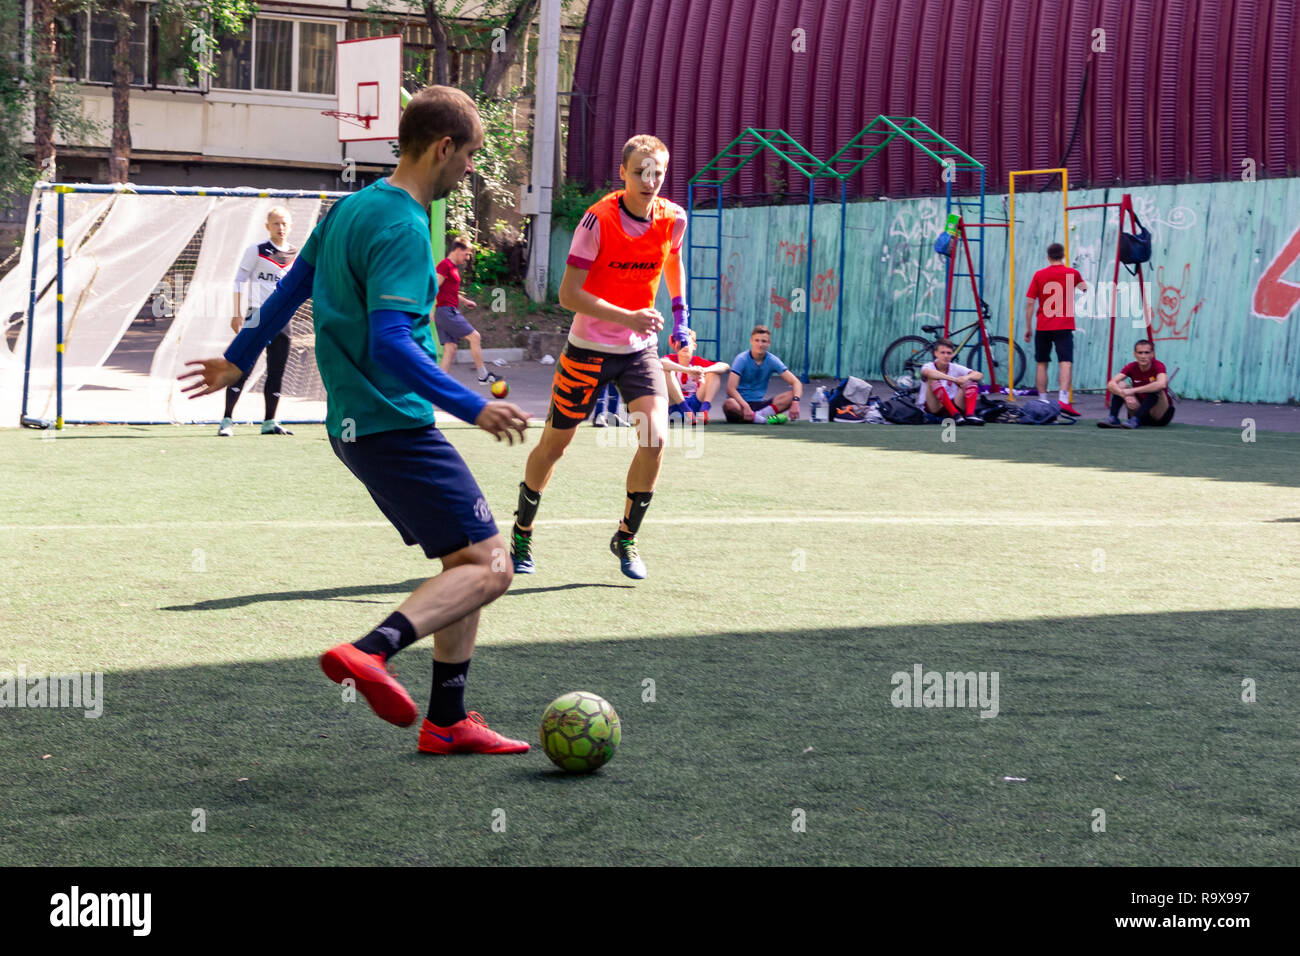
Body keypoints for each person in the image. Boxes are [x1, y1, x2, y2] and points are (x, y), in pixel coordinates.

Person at [180, 86, 534, 756]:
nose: (469, 172)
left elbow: (290, 290)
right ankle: (373, 650)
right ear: (442, 147)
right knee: (494, 563)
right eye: (469, 158)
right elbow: (391, 345)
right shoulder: (402, 225)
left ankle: (448, 720)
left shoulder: (351, 209)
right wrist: (475, 405)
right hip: (393, 423)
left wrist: (236, 360)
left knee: (463, 562)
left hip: (353, 427)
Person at [509, 133, 689, 581]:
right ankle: (521, 533)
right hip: (587, 351)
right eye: (641, 172)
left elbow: (671, 261)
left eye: (658, 173)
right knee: (555, 446)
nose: (650, 181)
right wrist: (630, 317)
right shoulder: (597, 221)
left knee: (656, 440)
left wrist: (682, 315)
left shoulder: (673, 219)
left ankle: (626, 538)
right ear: (623, 174)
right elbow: (569, 294)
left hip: (638, 352)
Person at [219, 206, 297, 437]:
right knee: (242, 367)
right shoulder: (257, 250)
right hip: (256, 317)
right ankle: (226, 420)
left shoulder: (295, 253)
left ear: (290, 226)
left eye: (284, 223)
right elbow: (239, 280)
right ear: (267, 226)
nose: (280, 228)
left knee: (277, 371)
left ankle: (270, 422)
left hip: (283, 320)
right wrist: (237, 313)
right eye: (276, 223)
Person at [1023, 241, 1086, 417]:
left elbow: (1030, 302)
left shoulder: (1039, 275)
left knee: (1042, 363)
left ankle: (1042, 400)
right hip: (1063, 325)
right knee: (1065, 362)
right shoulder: (1072, 273)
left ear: (1048, 256)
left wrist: (1028, 327)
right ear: (1063, 255)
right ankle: (1063, 401)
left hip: (1043, 325)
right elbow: (1085, 289)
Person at [434, 236, 493, 384]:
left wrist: (465, 301)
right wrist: (429, 311)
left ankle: (439, 386)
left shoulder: (452, 268)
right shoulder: (445, 265)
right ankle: (483, 375)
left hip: (446, 311)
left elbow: (449, 291)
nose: (467, 258)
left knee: (450, 349)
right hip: (446, 312)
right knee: (475, 337)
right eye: (466, 253)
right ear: (458, 249)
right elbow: (433, 287)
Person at [722, 325, 802, 424]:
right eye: (757, 340)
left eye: (764, 341)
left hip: (759, 404)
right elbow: (730, 389)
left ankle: (756, 417)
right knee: (729, 404)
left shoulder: (772, 360)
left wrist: (795, 402)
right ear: (751, 341)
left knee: (791, 395)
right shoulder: (741, 359)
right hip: (740, 404)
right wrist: (745, 406)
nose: (760, 344)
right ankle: (763, 419)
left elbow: (796, 382)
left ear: (769, 343)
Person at [1099, 339, 1175, 428]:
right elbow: (1111, 384)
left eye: (1146, 353)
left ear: (1152, 354)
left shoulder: (1158, 365)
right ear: (1135, 354)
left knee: (1156, 387)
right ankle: (1113, 418)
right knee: (1119, 384)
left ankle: (1136, 419)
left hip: (1159, 416)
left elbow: (1162, 384)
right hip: (1138, 411)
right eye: (1140, 353)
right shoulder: (1131, 366)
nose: (1143, 356)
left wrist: (1132, 391)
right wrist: (1123, 394)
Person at [662, 327, 729, 424]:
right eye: (682, 343)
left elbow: (725, 366)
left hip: (695, 404)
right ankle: (686, 411)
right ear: (676, 345)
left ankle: (704, 411)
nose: (684, 346)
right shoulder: (670, 358)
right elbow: (661, 363)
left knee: (714, 373)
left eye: (687, 343)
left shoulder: (698, 362)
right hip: (676, 404)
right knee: (666, 372)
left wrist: (704, 370)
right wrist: (688, 370)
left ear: (694, 346)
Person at [917, 338, 984, 425]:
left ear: (952, 354)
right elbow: (929, 373)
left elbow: (979, 375)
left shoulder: (954, 367)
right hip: (934, 407)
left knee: (971, 380)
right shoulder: (928, 366)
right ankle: (956, 415)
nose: (946, 356)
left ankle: (970, 415)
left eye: (949, 353)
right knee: (932, 378)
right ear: (935, 353)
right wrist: (954, 379)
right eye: (942, 353)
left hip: (953, 404)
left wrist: (966, 377)